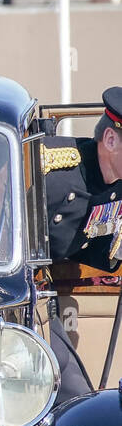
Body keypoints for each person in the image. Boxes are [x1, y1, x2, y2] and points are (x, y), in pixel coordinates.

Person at [42, 87, 122, 400]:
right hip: (19, 297)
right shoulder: (50, 166)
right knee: (68, 391)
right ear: (111, 140)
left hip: (52, 291)